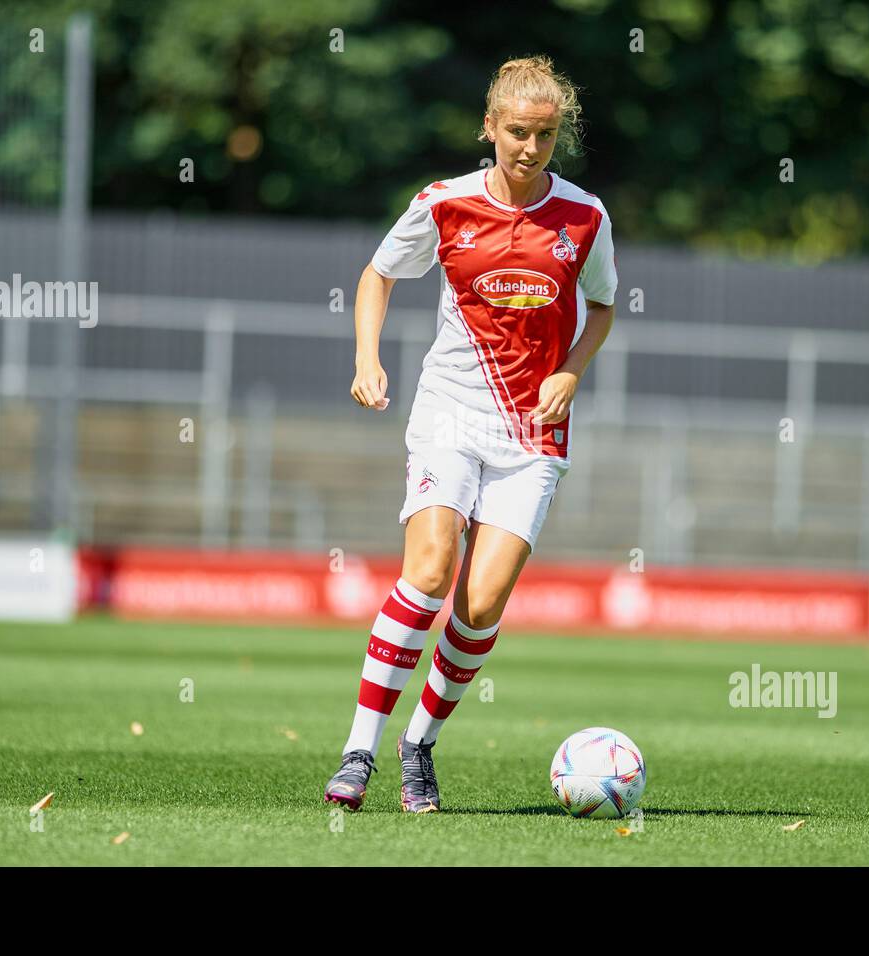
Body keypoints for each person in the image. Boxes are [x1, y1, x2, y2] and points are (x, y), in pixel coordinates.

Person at [324, 54, 618, 813]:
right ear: (490, 128)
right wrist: (367, 358)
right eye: (518, 132)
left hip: (533, 435)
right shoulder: (444, 203)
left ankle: (417, 743)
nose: (530, 147)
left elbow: (606, 306)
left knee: (480, 604)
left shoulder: (585, 217)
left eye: (546, 136)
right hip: (450, 412)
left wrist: (573, 371)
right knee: (427, 572)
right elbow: (378, 274)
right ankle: (359, 750)